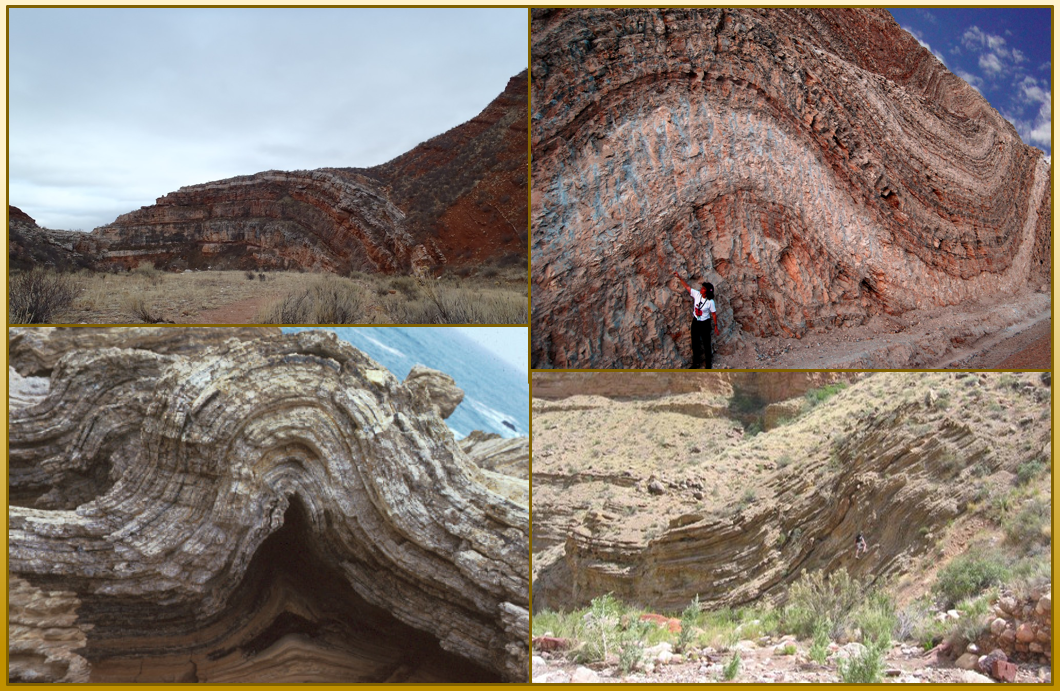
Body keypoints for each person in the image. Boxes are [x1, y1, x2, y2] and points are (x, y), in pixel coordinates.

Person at [673, 271, 720, 368]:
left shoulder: (710, 302)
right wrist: (680, 277)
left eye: (703, 289)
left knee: (707, 344)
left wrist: (716, 326)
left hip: (705, 323)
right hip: (696, 322)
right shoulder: (697, 294)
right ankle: (696, 363)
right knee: (695, 343)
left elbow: (714, 314)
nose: (701, 289)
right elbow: (687, 287)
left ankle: (708, 365)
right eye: (702, 288)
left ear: (706, 292)